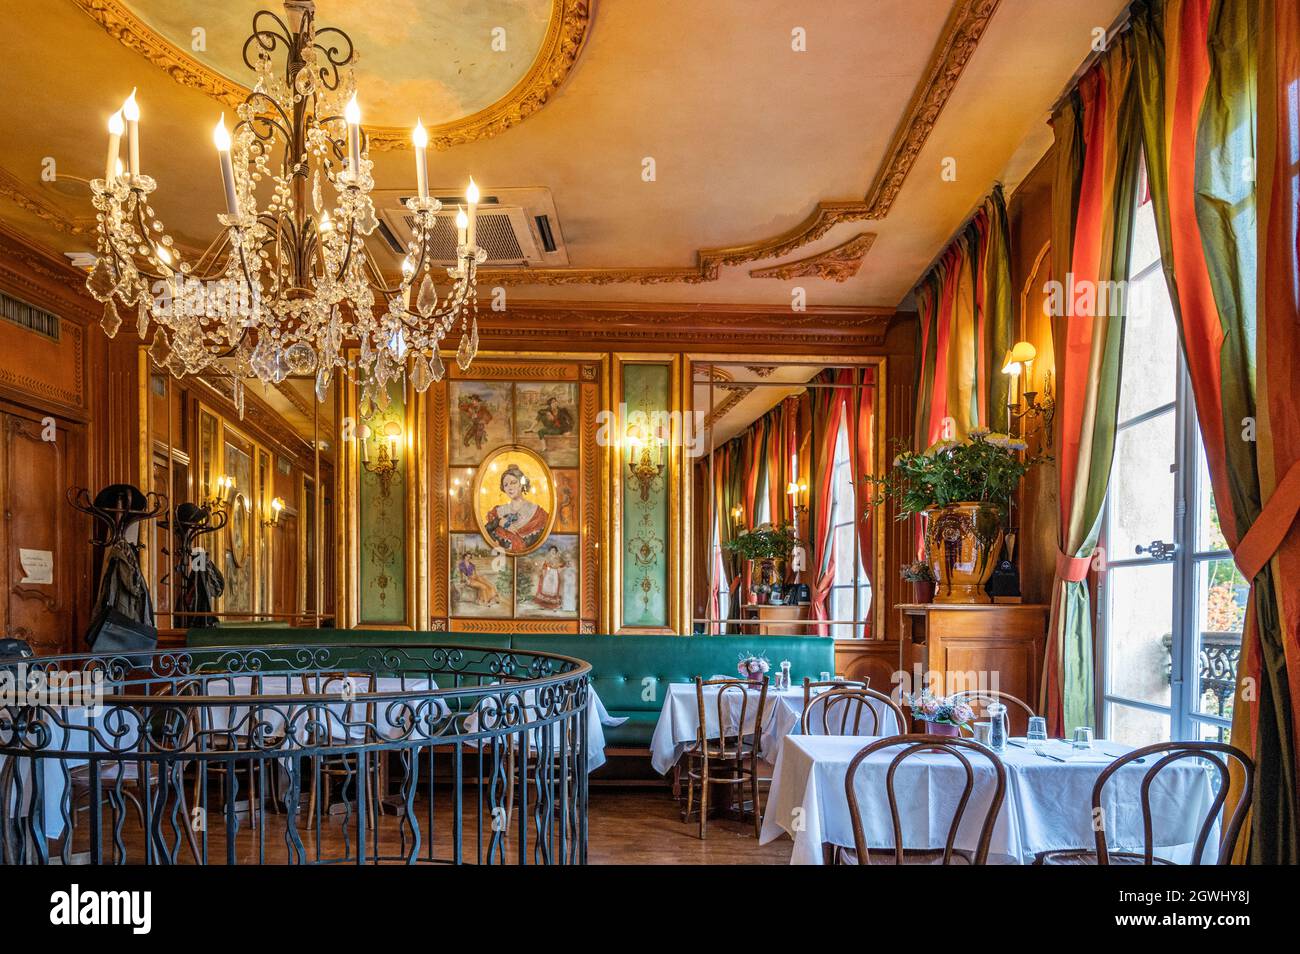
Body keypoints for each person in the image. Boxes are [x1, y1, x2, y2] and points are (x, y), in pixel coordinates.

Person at [483, 463, 550, 552]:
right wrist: (498, 522)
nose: (509, 487)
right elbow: (485, 534)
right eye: (506, 485)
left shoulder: (537, 512)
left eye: (513, 482)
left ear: (521, 484)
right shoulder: (497, 512)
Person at [533, 545, 565, 610]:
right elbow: (544, 566)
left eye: (554, 551)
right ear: (549, 551)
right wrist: (543, 572)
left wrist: (560, 568)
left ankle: (554, 606)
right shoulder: (547, 559)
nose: (553, 552)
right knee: (546, 588)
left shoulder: (558, 558)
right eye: (551, 550)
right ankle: (543, 605)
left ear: (556, 552)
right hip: (548, 574)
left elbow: (562, 565)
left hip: (555, 574)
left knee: (553, 589)